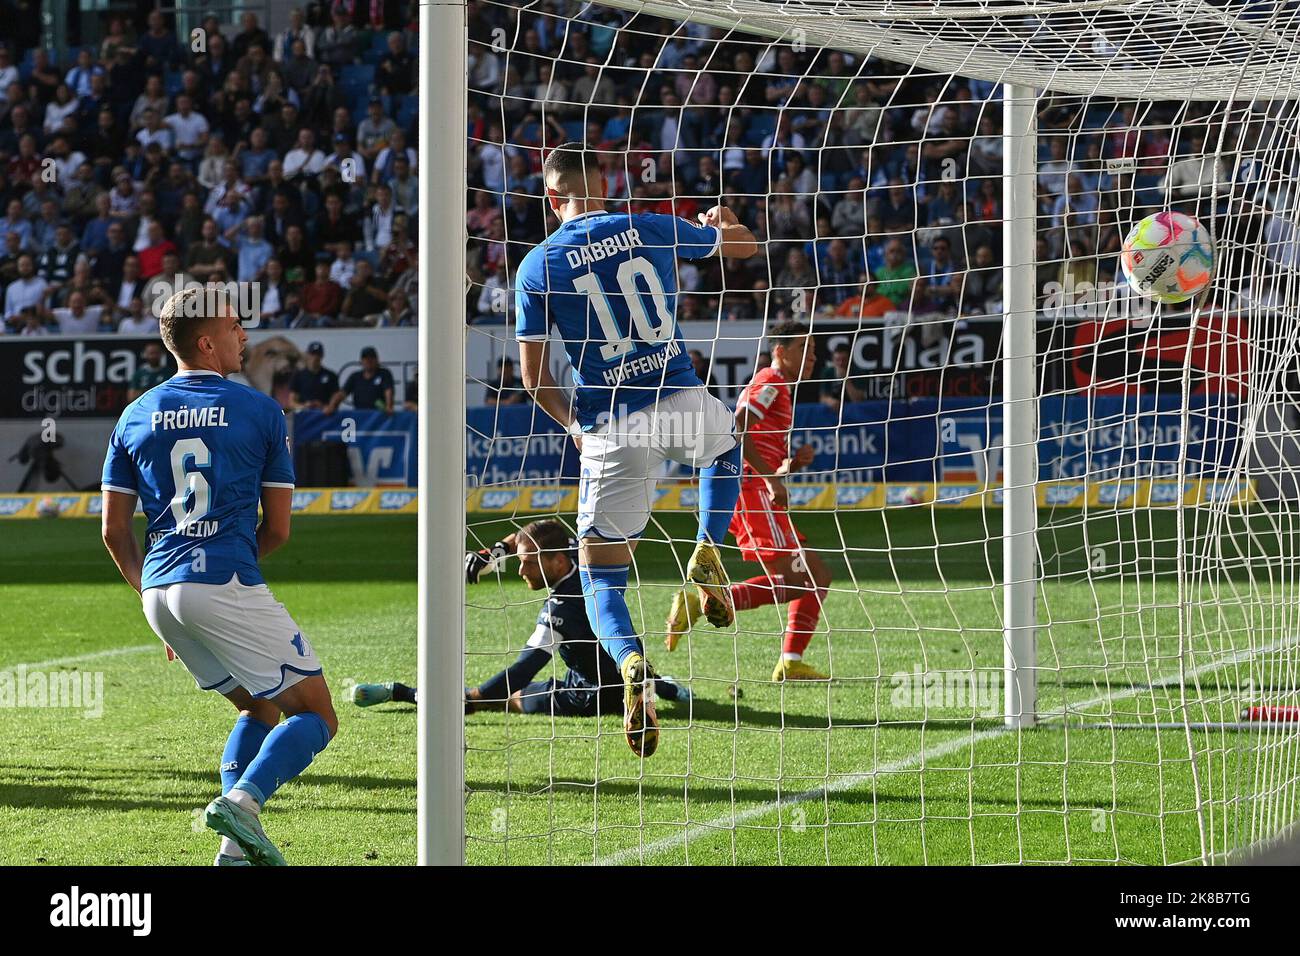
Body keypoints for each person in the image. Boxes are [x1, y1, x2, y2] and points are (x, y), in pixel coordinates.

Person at [514, 142, 757, 757]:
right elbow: (746, 248)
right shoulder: (647, 225)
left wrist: (574, 426)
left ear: (551, 196)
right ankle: (708, 545)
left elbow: (533, 379)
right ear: (605, 184)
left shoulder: (538, 266)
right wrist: (722, 222)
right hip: (679, 398)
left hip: (613, 426)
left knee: (601, 577)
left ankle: (629, 663)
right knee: (726, 448)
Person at [100, 287, 337, 867]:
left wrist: (155, 594)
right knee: (316, 714)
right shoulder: (260, 410)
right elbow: (277, 529)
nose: (244, 335)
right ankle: (241, 804)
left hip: (158, 591)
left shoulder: (135, 414)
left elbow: (113, 531)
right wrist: (222, 577)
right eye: (234, 326)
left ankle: (233, 849)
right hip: (222, 580)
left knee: (257, 707)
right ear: (207, 343)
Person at [353, 521, 690, 713]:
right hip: (619, 670)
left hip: (594, 694)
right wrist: (494, 552)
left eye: (528, 562)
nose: (520, 570)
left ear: (557, 563)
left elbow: (521, 671)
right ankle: (662, 685)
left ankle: (406, 693)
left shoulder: (559, 610)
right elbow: (527, 537)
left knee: (510, 698)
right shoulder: (575, 552)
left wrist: (474, 699)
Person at [666, 320, 834, 681]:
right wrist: (771, 478)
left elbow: (754, 439)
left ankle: (790, 660)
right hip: (752, 490)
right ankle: (700, 603)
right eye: (804, 349)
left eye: (814, 351)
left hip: (754, 487)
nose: (812, 358)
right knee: (801, 579)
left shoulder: (777, 386)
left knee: (815, 575)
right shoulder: (771, 382)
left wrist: (788, 465)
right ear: (780, 351)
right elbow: (738, 427)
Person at [325, 346, 394, 413]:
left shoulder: (384, 374)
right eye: (366, 358)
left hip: (378, 415)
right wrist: (331, 406)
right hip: (360, 416)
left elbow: (388, 390)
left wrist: (388, 406)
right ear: (361, 361)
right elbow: (342, 393)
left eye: (372, 357)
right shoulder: (355, 376)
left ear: (377, 359)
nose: (369, 361)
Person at [289, 341, 339, 409]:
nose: (315, 357)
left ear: (322, 356)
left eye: (318, 354)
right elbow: (292, 402)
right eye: (312, 354)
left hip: (324, 413)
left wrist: (325, 406)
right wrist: (304, 406)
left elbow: (336, 398)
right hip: (305, 413)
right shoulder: (298, 376)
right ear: (307, 355)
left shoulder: (331, 376)